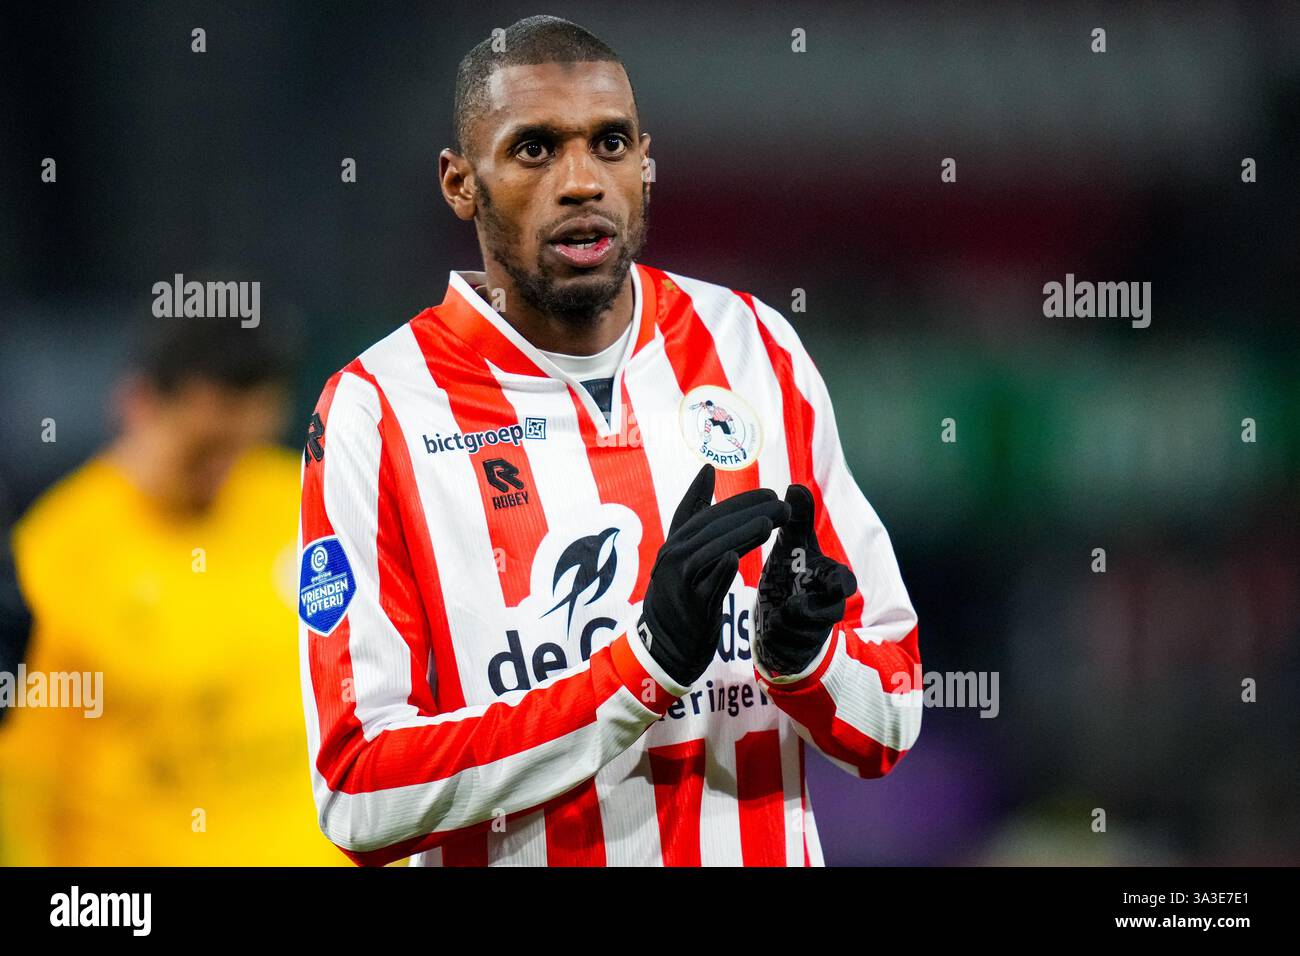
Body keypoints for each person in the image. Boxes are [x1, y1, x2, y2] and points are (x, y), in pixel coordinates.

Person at [298, 15, 921, 867]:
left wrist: (808, 661)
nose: (582, 181)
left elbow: (891, 717)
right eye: (535, 150)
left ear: (646, 163)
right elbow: (359, 793)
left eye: (610, 143)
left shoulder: (753, 346)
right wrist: (641, 668)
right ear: (459, 183)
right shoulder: (378, 411)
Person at [0, 315, 344, 865]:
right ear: (139, 404)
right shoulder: (55, 558)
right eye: (203, 449)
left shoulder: (304, 501)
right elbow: (24, 785)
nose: (224, 471)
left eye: (242, 446)